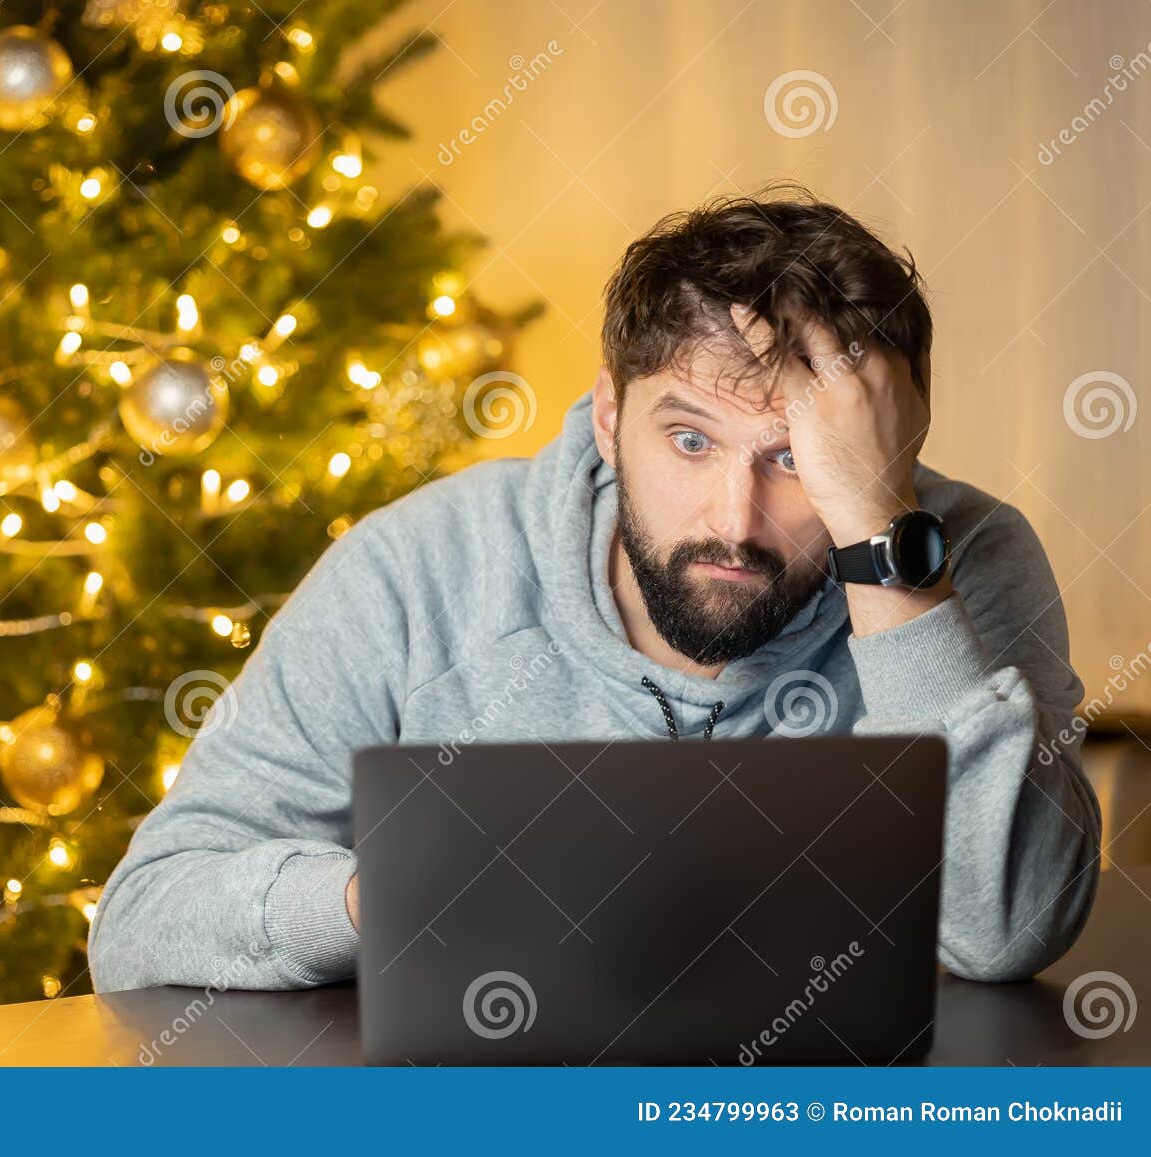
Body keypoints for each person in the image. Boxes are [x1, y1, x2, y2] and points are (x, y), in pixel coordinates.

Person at [87, 187, 1101, 993]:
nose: (731, 518)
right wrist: (384, 897)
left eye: (793, 459)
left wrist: (881, 544)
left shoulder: (957, 557)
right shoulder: (418, 569)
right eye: (689, 437)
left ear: (886, 450)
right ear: (609, 416)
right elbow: (141, 918)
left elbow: (1006, 926)